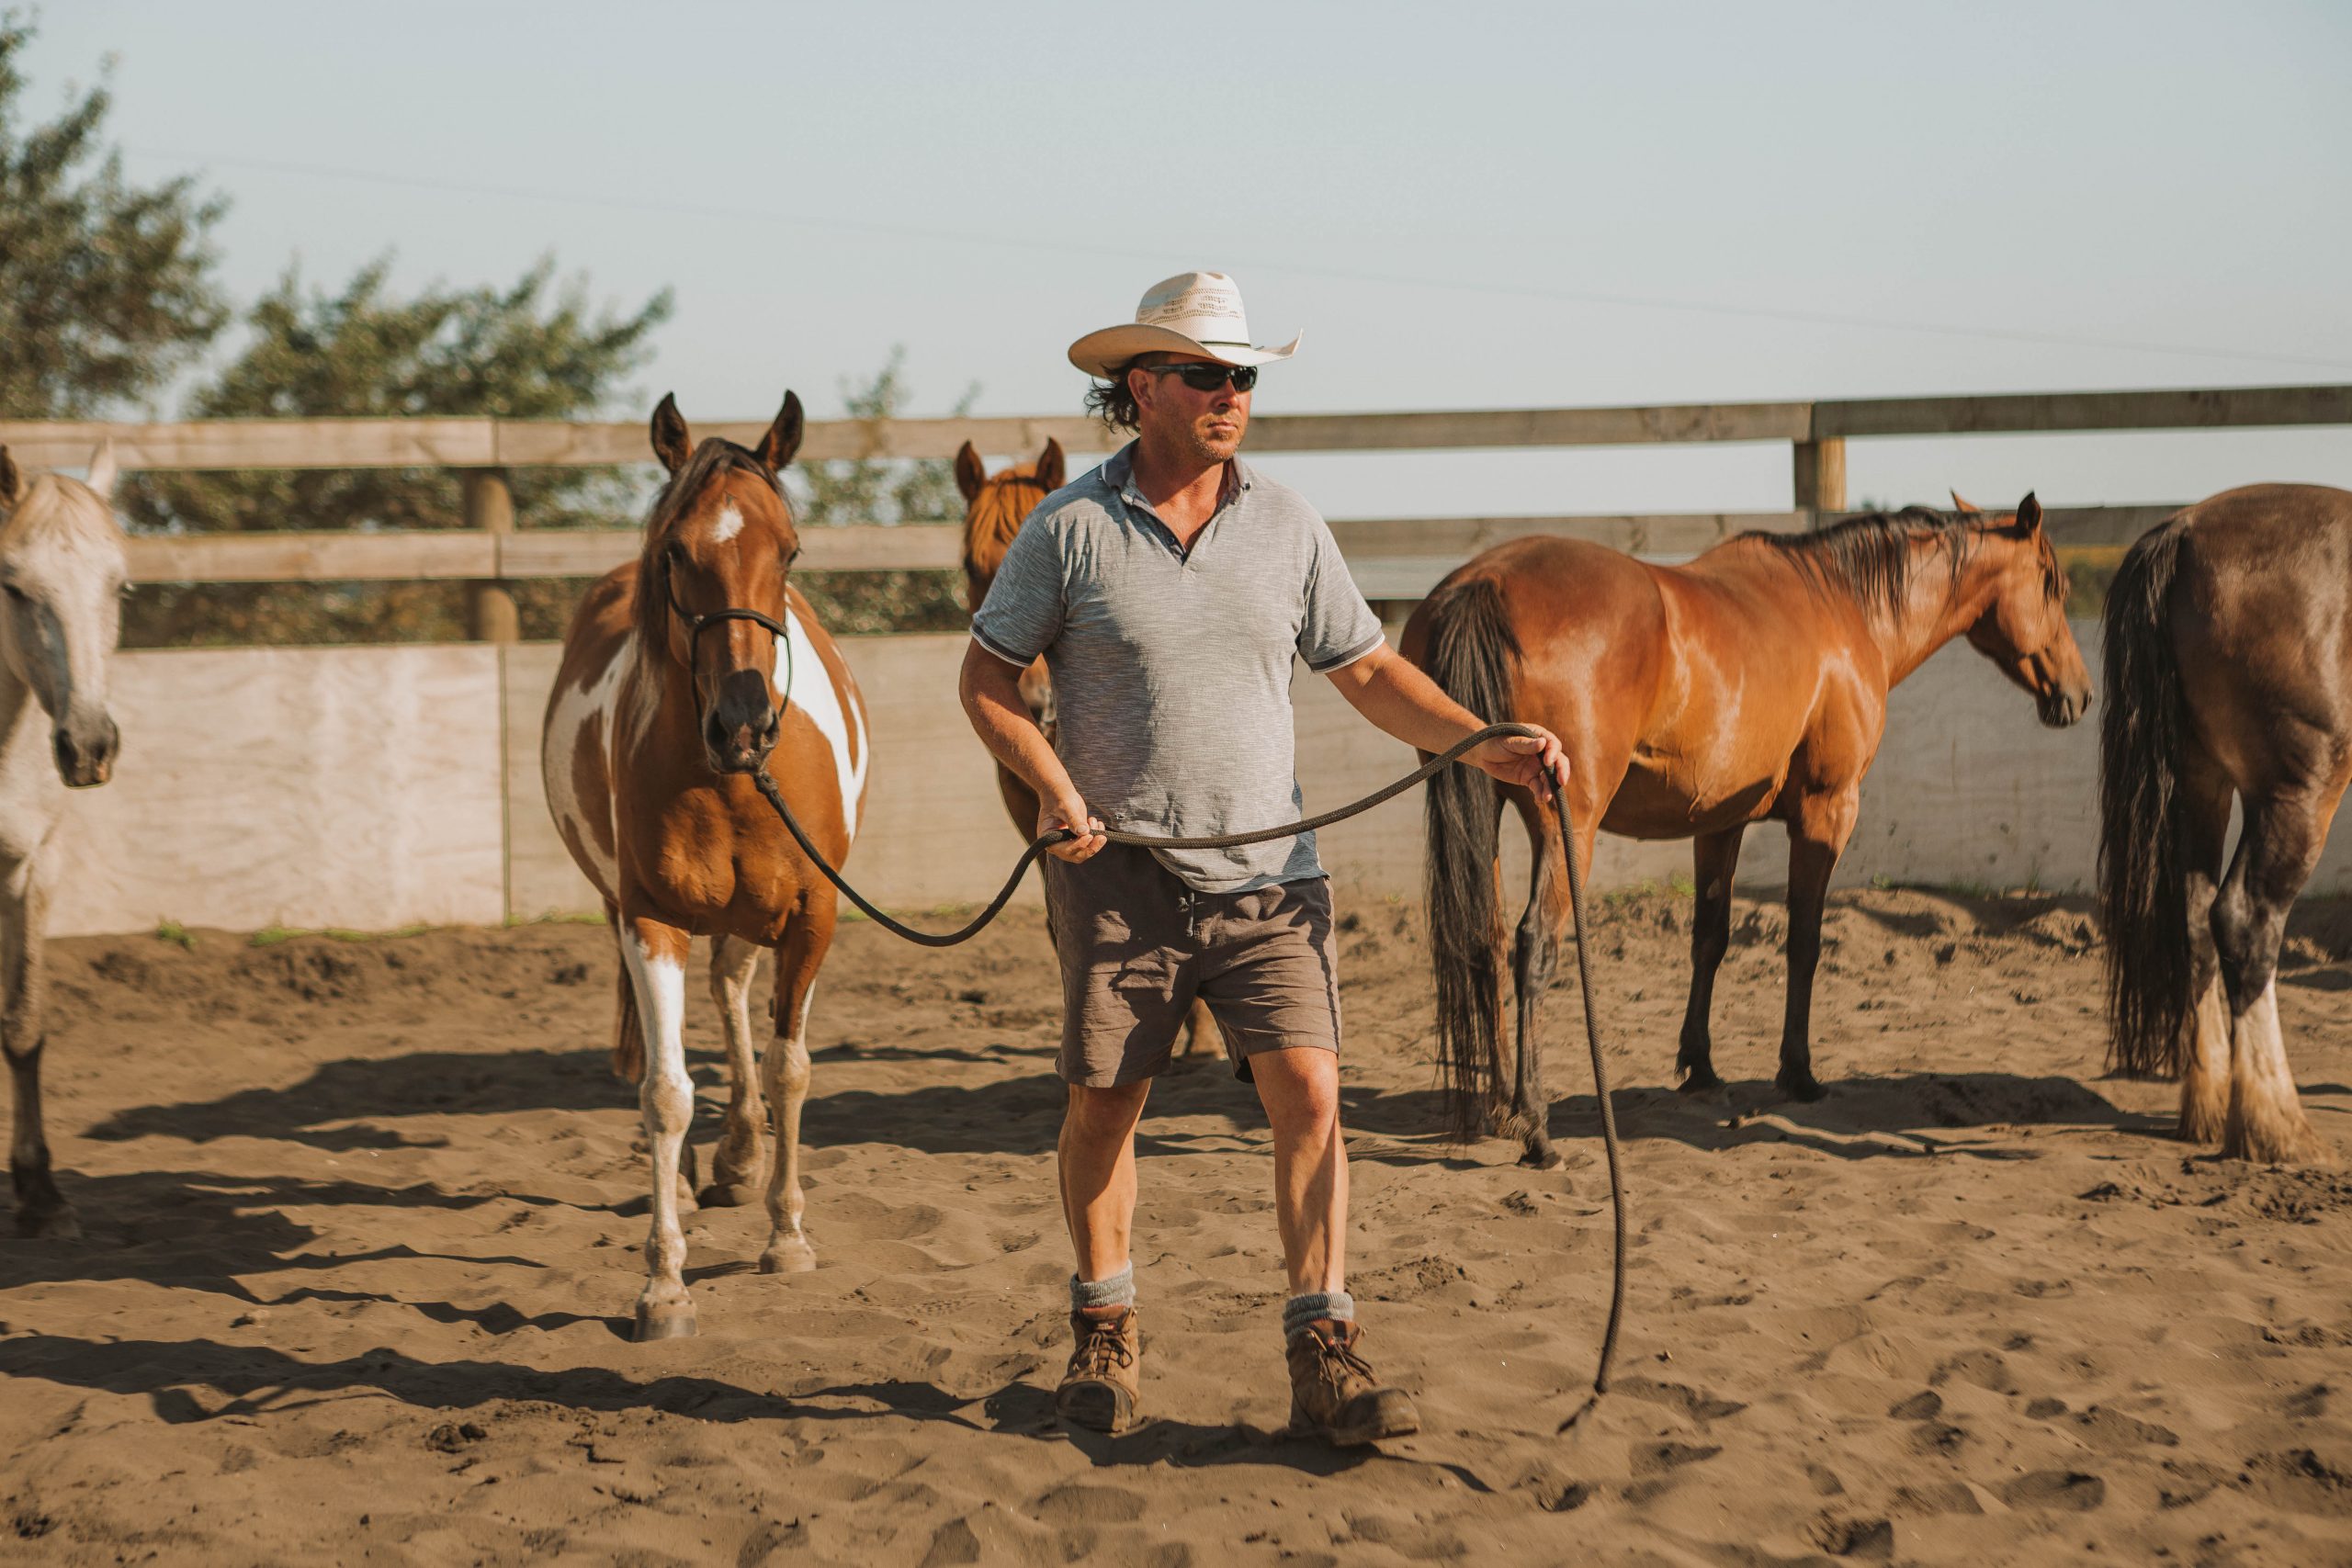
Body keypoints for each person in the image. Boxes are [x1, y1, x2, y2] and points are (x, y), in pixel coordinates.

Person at [959, 272, 1567, 1445]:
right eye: (1207, 374)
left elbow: (1370, 674)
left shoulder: (1289, 525)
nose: (1231, 393)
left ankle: (1322, 1348)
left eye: (1243, 376)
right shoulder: (1068, 530)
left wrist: (1482, 744)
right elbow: (986, 681)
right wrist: (1055, 790)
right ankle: (1104, 1329)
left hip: (1269, 880)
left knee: (1311, 1093)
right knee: (1105, 1104)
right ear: (1142, 388)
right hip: (1118, 873)